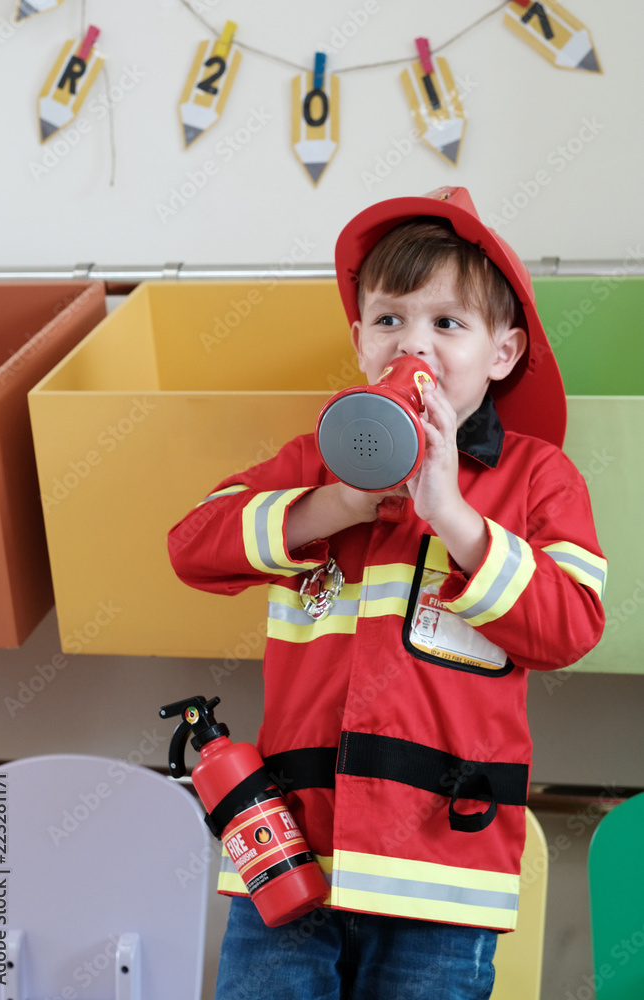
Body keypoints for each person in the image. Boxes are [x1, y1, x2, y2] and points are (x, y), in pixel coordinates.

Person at [168, 187, 606, 999]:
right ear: (360, 340)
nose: (416, 346)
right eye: (390, 321)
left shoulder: (538, 477)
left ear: (501, 353)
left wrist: (452, 515)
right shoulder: (313, 462)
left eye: (447, 324)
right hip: (292, 857)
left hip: (442, 869)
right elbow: (191, 547)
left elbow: (573, 625)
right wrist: (336, 502)